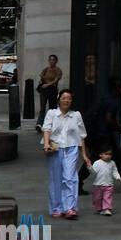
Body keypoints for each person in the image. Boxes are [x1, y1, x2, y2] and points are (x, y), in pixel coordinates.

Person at [42, 89, 92, 220]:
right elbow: (46, 129)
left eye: (69, 98)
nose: (66, 100)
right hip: (55, 149)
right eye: (64, 98)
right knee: (56, 179)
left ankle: (70, 208)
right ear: (59, 99)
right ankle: (56, 208)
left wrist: (84, 155)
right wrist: (46, 144)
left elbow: (81, 136)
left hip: (71, 149)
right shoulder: (52, 113)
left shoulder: (76, 115)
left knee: (70, 178)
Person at [88, 145, 121, 216]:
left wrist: (118, 177)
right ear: (100, 155)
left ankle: (106, 209)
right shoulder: (97, 163)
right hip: (98, 185)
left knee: (107, 197)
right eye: (106, 154)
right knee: (97, 198)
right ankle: (99, 208)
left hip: (109, 184)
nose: (108, 156)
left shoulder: (112, 163)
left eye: (110, 154)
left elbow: (114, 171)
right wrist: (90, 168)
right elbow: (94, 173)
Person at [36, 54, 62, 132]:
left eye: (53, 60)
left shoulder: (58, 70)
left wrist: (47, 84)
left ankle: (51, 125)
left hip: (52, 90)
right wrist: (41, 81)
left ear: (56, 61)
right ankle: (39, 124)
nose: (51, 61)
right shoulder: (46, 69)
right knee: (42, 108)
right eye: (50, 59)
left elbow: (56, 80)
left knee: (52, 108)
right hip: (44, 91)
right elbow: (41, 76)